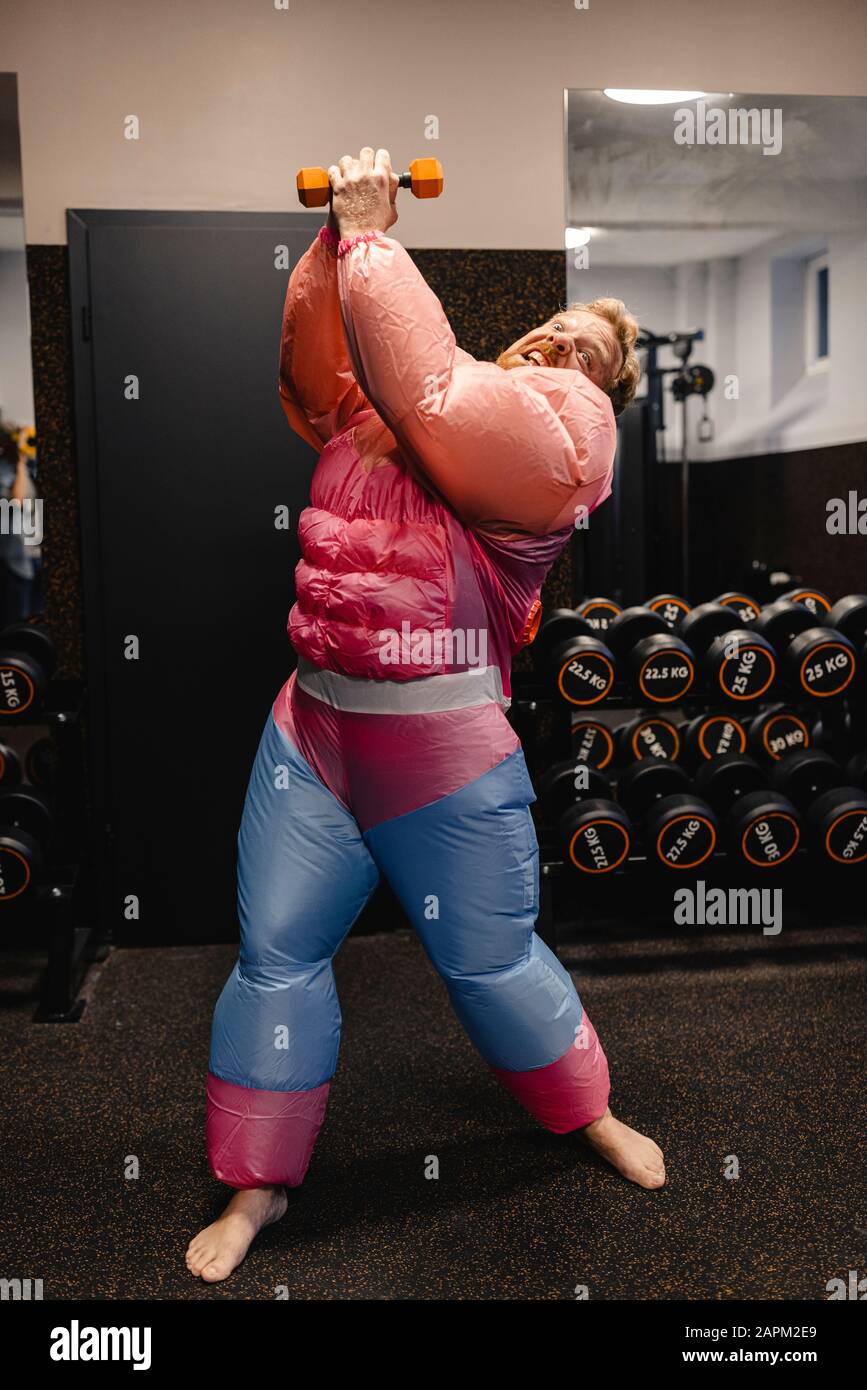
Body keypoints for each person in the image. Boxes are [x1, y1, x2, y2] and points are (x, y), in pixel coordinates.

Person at [187, 148, 656, 1284]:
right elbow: (318, 375)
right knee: (275, 958)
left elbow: (442, 396)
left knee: (491, 964)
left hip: (439, 761)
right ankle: (257, 1187)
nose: (558, 345)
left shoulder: (566, 444)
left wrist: (379, 240)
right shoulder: (380, 416)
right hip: (313, 736)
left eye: (584, 350)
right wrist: (339, 243)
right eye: (551, 330)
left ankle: (583, 1109)